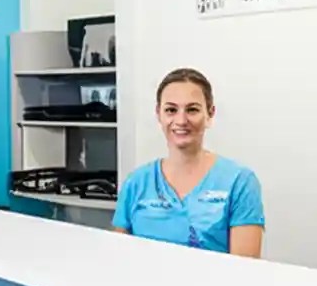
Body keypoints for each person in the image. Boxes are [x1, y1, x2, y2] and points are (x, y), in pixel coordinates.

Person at [112, 68, 265, 257]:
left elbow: (245, 269)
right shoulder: (136, 183)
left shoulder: (240, 183)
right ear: (158, 114)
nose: (181, 120)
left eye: (192, 110)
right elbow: (120, 260)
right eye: (171, 110)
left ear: (210, 114)